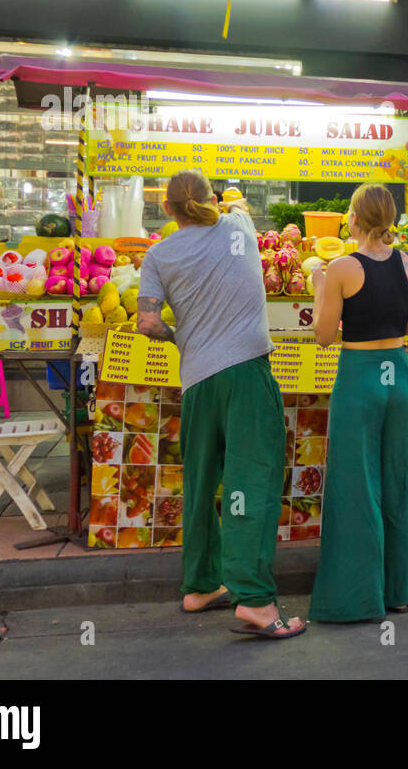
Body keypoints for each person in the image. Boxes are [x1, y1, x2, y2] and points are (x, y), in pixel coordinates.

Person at [137, 170, 305, 640]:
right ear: (211, 198)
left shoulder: (157, 254)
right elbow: (238, 206)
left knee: (200, 479)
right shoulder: (239, 227)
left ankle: (200, 585)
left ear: (166, 208)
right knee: (250, 481)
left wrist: (182, 336)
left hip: (197, 382)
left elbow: (147, 323)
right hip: (247, 373)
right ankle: (254, 601)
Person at [309, 183, 408, 622]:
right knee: (398, 481)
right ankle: (398, 591)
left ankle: (358, 597)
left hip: (359, 379)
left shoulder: (341, 267)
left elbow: (323, 336)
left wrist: (321, 284)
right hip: (398, 377)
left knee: (356, 485)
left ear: (355, 219)